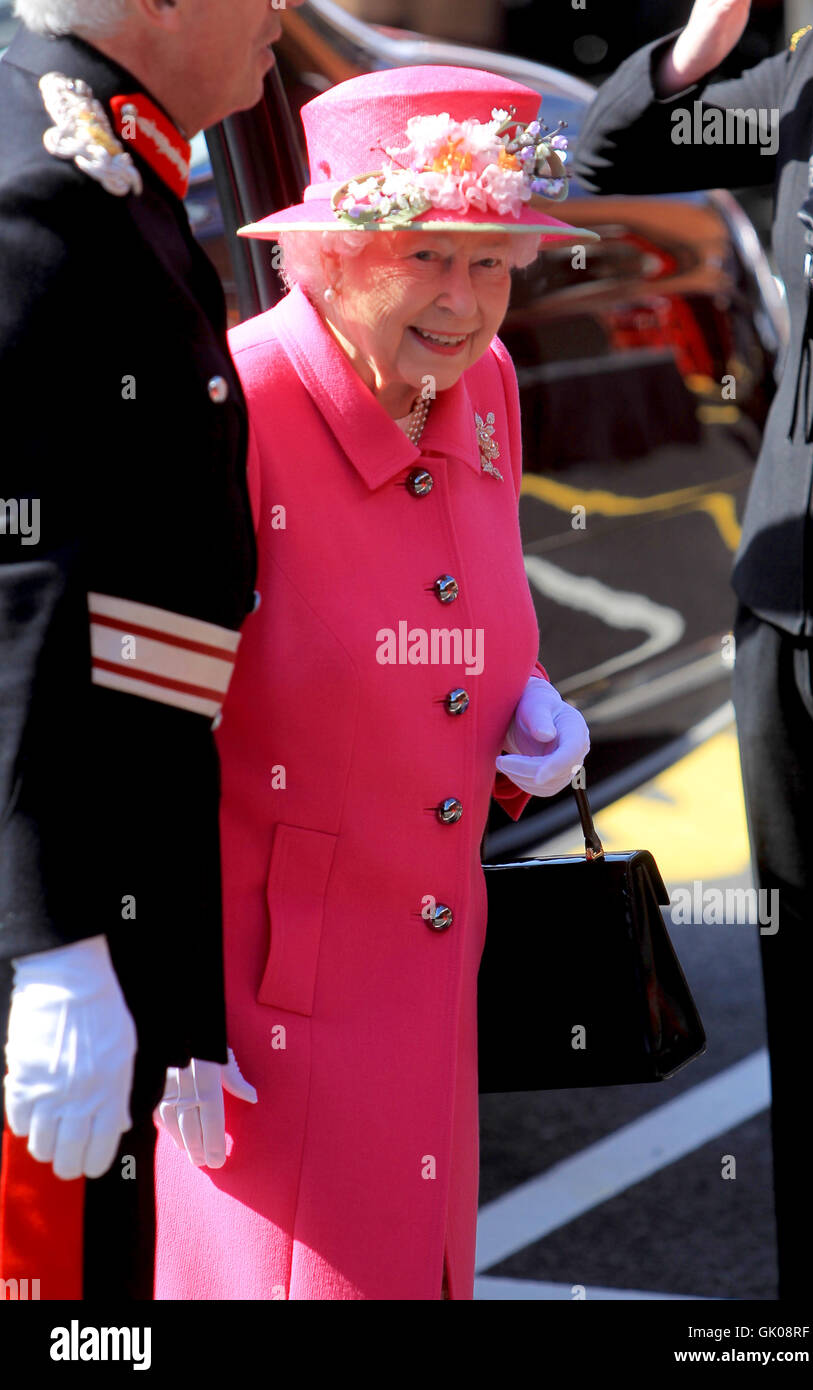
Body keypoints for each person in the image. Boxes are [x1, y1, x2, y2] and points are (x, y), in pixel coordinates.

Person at [152, 64, 595, 1301]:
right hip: (262, 1010)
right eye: (424, 256)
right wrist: (163, 999)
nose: (462, 303)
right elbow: (130, 728)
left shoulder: (486, 389)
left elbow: (456, 618)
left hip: (436, 963)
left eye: (490, 261)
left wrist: (525, 716)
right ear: (330, 255)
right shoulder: (236, 408)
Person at [0, 0, 302, 1301]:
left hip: (122, 858)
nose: (285, 6)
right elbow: (17, 586)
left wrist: (166, 967)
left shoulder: (109, 156)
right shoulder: (40, 184)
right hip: (56, 884)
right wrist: (53, 942)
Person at [572, 0, 813, 1301]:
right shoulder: (808, 73)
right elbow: (604, 150)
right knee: (807, 995)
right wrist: (703, 37)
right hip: (785, 598)